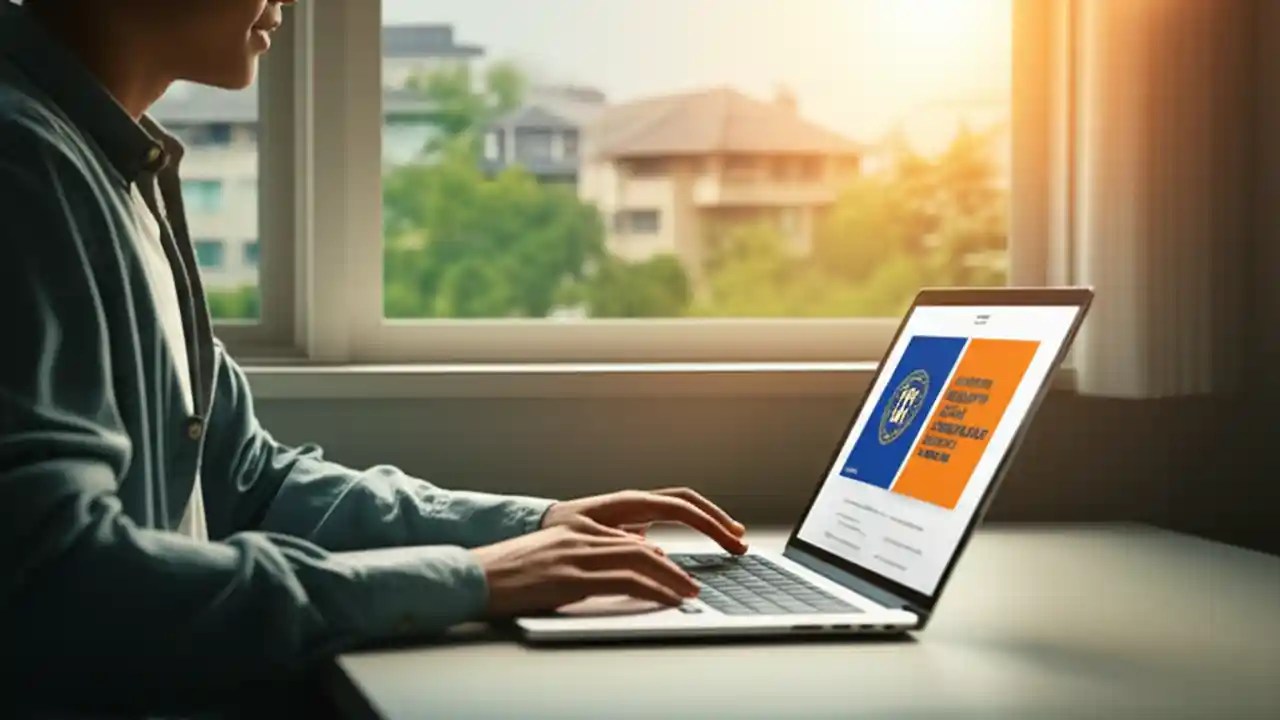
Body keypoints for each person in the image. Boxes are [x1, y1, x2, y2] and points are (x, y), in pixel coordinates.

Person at [0, 0, 748, 715]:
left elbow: (247, 483)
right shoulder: (22, 171)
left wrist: (530, 525)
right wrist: (467, 579)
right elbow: (62, 587)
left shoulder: (111, 164)